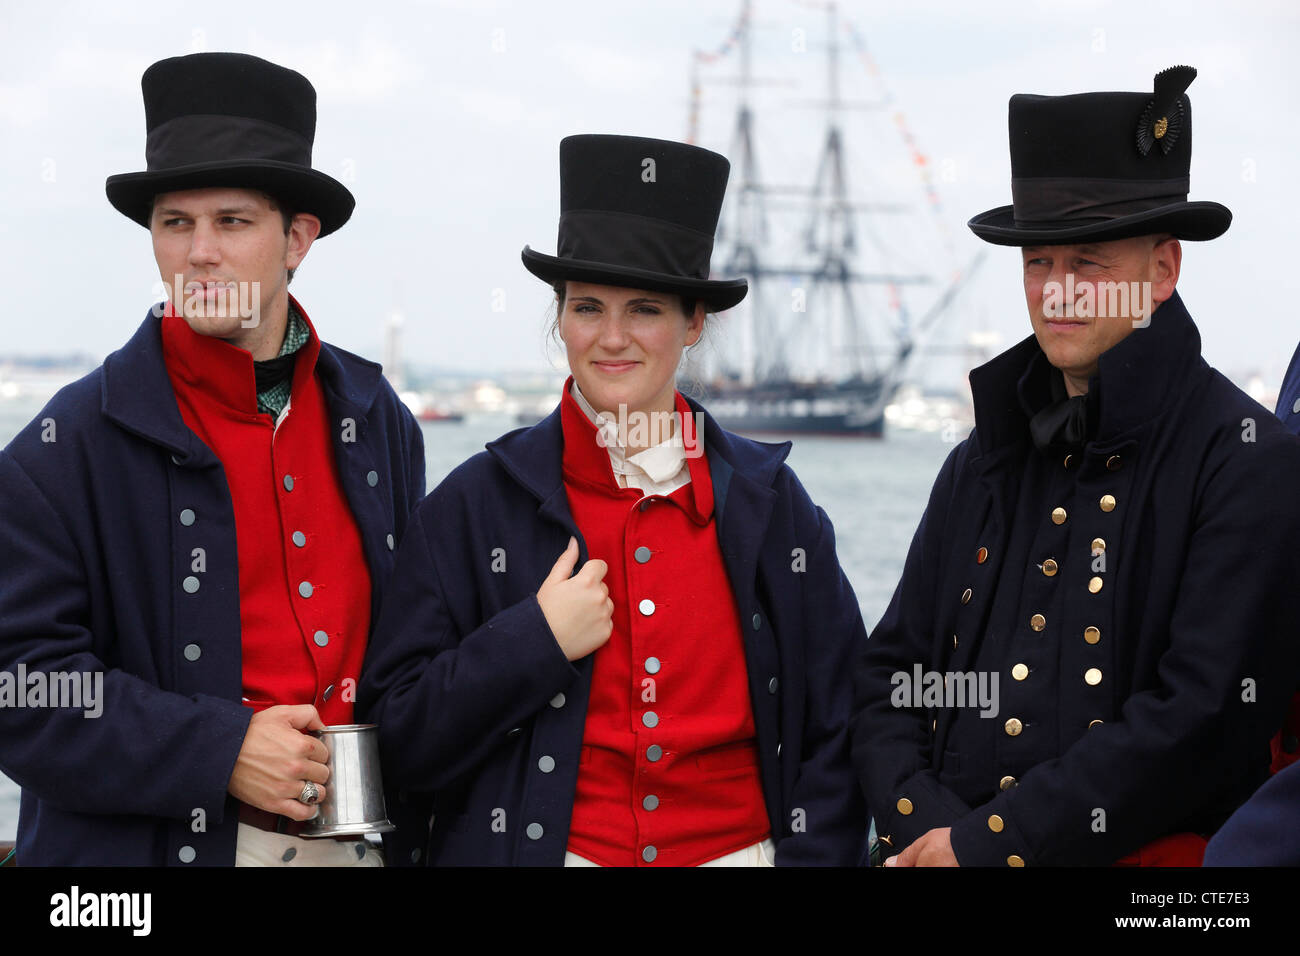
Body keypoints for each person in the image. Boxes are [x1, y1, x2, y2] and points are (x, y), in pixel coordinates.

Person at [358, 133, 868, 866]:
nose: (612, 338)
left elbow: (840, 726)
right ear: (559, 317)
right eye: (588, 306)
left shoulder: (771, 505)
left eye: (646, 309)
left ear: (694, 323)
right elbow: (396, 744)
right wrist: (532, 642)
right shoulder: (474, 506)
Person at [850, 66, 1300, 866]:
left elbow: (1193, 719)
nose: (1057, 293)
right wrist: (926, 824)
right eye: (1037, 263)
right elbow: (893, 680)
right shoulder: (977, 464)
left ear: (1163, 271)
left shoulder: (1247, 463)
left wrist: (987, 846)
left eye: (1088, 264)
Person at [0, 52, 425, 866]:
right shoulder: (63, 447)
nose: (199, 253)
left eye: (231, 221)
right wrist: (218, 749)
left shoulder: (378, 423)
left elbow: (415, 653)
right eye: (174, 223)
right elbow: (20, 689)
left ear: (298, 237)